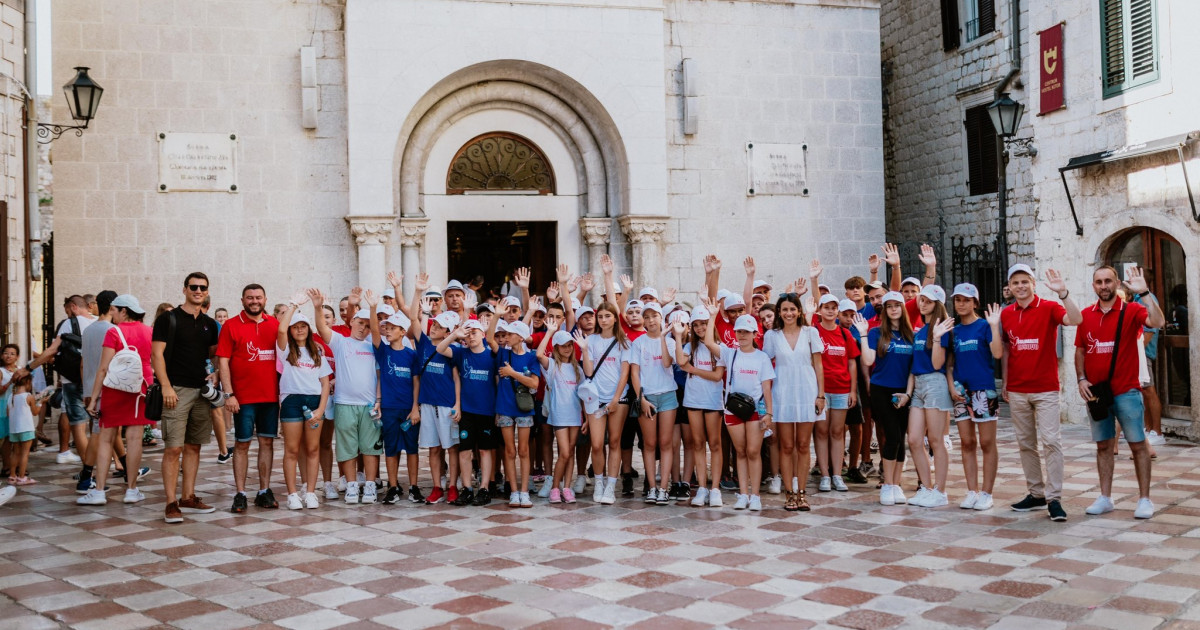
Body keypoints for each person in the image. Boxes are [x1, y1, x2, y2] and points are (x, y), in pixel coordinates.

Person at [1076, 266, 1165, 520]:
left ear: (1116, 283)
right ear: (1093, 286)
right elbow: (1080, 350)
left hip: (1126, 391)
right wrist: (1081, 379)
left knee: (1138, 445)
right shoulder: (1085, 316)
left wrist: (1145, 292)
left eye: (1108, 281)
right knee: (1103, 446)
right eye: (1098, 282)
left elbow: (1157, 322)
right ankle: (1105, 497)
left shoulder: (1132, 310)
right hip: (1097, 394)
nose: (1103, 286)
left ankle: (1145, 499)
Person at [1001, 263, 1081, 522]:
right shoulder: (1007, 314)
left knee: (1051, 441)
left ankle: (1054, 498)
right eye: (1015, 283)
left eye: (1025, 281)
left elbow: (1076, 320)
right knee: (1025, 443)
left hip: (1045, 387)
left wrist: (1064, 293)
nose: (1020, 286)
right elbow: (1006, 349)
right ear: (1010, 288)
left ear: (1033, 284)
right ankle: (1035, 493)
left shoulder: (1049, 307)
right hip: (1017, 388)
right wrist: (1005, 381)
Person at [153, 272, 220, 523]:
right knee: (173, 447)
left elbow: (213, 353)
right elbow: (156, 355)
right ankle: (171, 503)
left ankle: (188, 497)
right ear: (184, 289)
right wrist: (166, 386)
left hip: (201, 392)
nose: (198, 290)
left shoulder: (209, 324)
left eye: (203, 287)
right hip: (176, 390)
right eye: (194, 286)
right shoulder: (168, 319)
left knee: (194, 445)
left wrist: (213, 374)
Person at [931, 284, 1003, 510]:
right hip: (961, 391)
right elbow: (949, 365)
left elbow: (998, 353)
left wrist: (994, 327)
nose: (961, 304)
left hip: (983, 390)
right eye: (957, 300)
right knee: (967, 441)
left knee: (987, 442)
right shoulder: (954, 330)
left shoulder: (984, 326)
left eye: (966, 300)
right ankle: (972, 491)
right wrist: (952, 387)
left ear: (975, 303)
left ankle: (987, 493)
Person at [78, 295, 155, 506]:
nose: (111, 313)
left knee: (106, 438)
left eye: (114, 310)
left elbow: (103, 368)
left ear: (124, 311)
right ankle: (131, 489)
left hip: (114, 388)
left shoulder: (114, 332)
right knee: (134, 439)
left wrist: (93, 399)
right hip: (140, 389)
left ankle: (100, 491)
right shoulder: (149, 331)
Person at [699, 305, 775, 512]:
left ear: (754, 334)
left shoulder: (762, 358)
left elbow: (767, 388)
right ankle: (743, 494)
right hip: (733, 409)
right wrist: (713, 315)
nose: (742, 335)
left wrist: (769, 413)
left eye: (746, 332)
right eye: (739, 331)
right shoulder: (729, 353)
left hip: (755, 409)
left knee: (753, 451)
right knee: (740, 451)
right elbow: (707, 342)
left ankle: (755, 495)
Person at [312, 288, 382, 505]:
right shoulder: (341, 342)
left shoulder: (374, 345)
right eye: (359, 323)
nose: (363, 327)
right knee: (347, 446)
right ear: (351, 322)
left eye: (368, 325)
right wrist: (317, 307)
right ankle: (351, 485)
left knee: (370, 448)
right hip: (344, 404)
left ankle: (369, 485)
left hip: (369, 405)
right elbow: (322, 328)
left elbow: (379, 373)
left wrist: (371, 309)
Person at [218, 284, 282, 512]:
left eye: (258, 297)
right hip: (242, 398)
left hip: (270, 397)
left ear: (265, 299)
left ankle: (264, 491)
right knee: (242, 444)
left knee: (267, 442)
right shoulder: (231, 326)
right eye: (250, 298)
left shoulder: (275, 325)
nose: (254, 301)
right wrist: (229, 394)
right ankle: (240, 493)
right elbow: (223, 361)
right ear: (242, 300)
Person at [762, 291, 824, 512]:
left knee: (803, 445)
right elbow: (766, 367)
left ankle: (802, 492)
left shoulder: (810, 332)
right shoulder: (772, 336)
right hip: (783, 393)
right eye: (785, 309)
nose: (789, 313)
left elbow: (818, 365)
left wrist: (821, 395)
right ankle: (789, 493)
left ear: (799, 311)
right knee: (786, 446)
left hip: (807, 392)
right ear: (779, 312)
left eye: (792, 309)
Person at [855, 291, 915, 506]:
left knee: (900, 440)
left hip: (904, 392)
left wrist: (908, 394)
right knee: (892, 437)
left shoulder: (911, 336)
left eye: (897, 305)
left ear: (902, 308)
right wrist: (862, 334)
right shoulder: (876, 332)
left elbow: (912, 370)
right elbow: (869, 358)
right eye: (889, 306)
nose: (893, 309)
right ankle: (887, 484)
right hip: (882, 390)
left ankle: (896, 484)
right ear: (885, 311)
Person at [19, 294, 93, 465]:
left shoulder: (69, 323)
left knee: (79, 426)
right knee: (98, 427)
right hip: (96, 381)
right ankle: (110, 464)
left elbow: (51, 351)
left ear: (73, 306)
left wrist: (28, 368)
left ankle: (88, 472)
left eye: (67, 311)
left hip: (73, 381)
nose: (67, 315)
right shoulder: (98, 323)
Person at [409, 275, 462, 505]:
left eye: (439, 327)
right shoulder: (422, 345)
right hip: (428, 403)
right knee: (433, 448)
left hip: (446, 404)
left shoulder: (453, 350)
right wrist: (418, 292)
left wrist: (457, 404)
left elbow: (457, 379)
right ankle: (437, 486)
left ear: (448, 331)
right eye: (434, 324)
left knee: (451, 448)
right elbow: (413, 318)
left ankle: (452, 486)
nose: (434, 328)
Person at [275, 295, 332, 510]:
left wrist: (321, 409)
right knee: (291, 449)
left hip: (314, 402)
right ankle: (292, 494)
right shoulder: (285, 350)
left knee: (313, 449)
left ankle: (310, 492)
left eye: (303, 326)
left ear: (309, 329)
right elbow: (280, 331)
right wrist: (294, 306)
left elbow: (325, 383)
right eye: (295, 327)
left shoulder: (317, 352)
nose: (299, 330)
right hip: (291, 400)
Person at [436, 318, 501, 506]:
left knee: (485, 451)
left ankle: (484, 488)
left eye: (475, 332)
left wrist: (497, 410)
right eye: (468, 333)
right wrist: (455, 335)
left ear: (483, 334)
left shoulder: (491, 356)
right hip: (467, 411)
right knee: (464, 451)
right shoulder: (461, 353)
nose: (471, 336)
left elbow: (497, 382)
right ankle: (466, 488)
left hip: (487, 411)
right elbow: (440, 349)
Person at [672, 305, 724, 508]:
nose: (701, 328)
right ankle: (702, 487)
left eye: (704, 323)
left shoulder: (718, 346)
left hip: (712, 401)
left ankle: (716, 488)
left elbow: (717, 375)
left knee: (715, 444)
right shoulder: (689, 347)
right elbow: (679, 361)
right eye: (697, 325)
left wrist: (693, 369)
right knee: (697, 443)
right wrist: (678, 336)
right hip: (693, 401)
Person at [906, 285, 953, 508]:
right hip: (918, 385)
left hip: (935, 382)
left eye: (928, 301)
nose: (922, 304)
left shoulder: (941, 328)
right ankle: (926, 487)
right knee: (914, 439)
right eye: (921, 300)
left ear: (938, 305)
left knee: (935, 440)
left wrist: (936, 337)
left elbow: (937, 363)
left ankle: (940, 490)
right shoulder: (920, 330)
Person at [629, 302, 678, 505]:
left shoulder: (671, 342)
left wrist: (665, 338)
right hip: (646, 397)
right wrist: (642, 399)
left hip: (667, 395)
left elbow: (667, 363)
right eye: (646, 317)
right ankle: (651, 487)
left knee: (666, 443)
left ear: (661, 317)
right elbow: (634, 373)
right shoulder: (638, 343)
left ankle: (664, 488)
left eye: (654, 316)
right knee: (649, 444)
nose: (650, 320)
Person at [536, 329, 591, 504]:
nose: (567, 349)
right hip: (559, 416)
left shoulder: (578, 370)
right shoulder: (552, 366)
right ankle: (554, 487)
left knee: (570, 451)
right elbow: (538, 354)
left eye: (569, 346)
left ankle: (567, 488)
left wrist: (587, 418)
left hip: (575, 416)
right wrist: (549, 332)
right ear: (556, 348)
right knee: (564, 452)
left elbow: (583, 395)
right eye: (563, 346)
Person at [585, 301, 631, 505]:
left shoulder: (624, 341)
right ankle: (599, 482)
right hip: (595, 398)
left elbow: (625, 374)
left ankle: (611, 485)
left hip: (618, 398)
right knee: (596, 444)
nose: (603, 320)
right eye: (600, 316)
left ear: (615, 318)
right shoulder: (591, 340)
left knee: (614, 441)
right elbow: (588, 372)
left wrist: (614, 399)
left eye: (607, 316)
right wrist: (584, 350)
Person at [812, 293, 858, 493]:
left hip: (841, 388)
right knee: (821, 431)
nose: (830, 311)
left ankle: (837, 474)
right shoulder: (814, 332)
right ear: (819, 310)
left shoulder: (845, 333)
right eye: (826, 307)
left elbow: (852, 362)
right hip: (820, 390)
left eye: (833, 307)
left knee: (837, 431)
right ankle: (824, 475)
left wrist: (853, 390)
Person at [495, 320, 540, 507]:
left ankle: (524, 491)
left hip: (524, 408)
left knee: (523, 450)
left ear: (520, 337)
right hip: (505, 407)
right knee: (509, 450)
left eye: (510, 334)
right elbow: (490, 338)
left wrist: (512, 373)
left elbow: (534, 384)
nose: (506, 337)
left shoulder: (531, 357)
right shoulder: (502, 353)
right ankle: (513, 490)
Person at [7, 373, 44, 485]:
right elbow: (35, 412)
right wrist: (41, 403)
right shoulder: (28, 396)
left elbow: (8, 413)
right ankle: (22, 477)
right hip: (26, 428)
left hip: (14, 429)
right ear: (28, 382)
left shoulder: (11, 396)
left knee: (15, 453)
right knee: (25, 453)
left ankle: (12, 476)